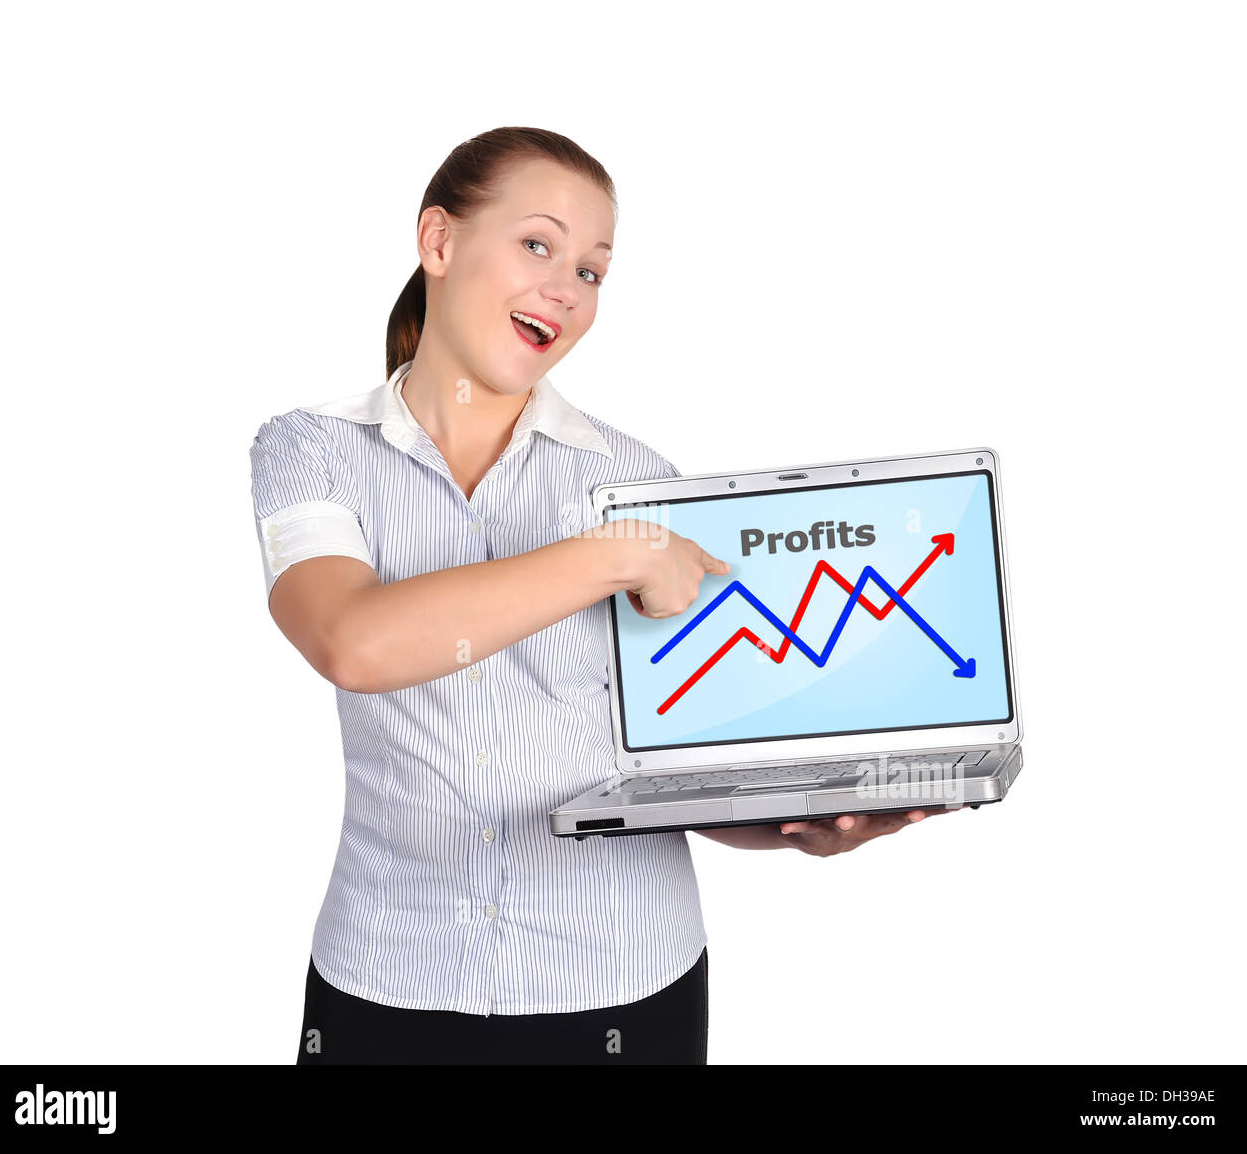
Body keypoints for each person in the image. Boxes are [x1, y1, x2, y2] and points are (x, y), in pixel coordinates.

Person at [249, 126, 954, 1066]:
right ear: (439, 242)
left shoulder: (642, 481)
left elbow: (667, 772)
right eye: (538, 244)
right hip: (389, 980)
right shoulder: (310, 452)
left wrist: (794, 828)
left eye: (592, 271)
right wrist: (610, 557)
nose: (566, 288)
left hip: (620, 989)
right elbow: (352, 641)